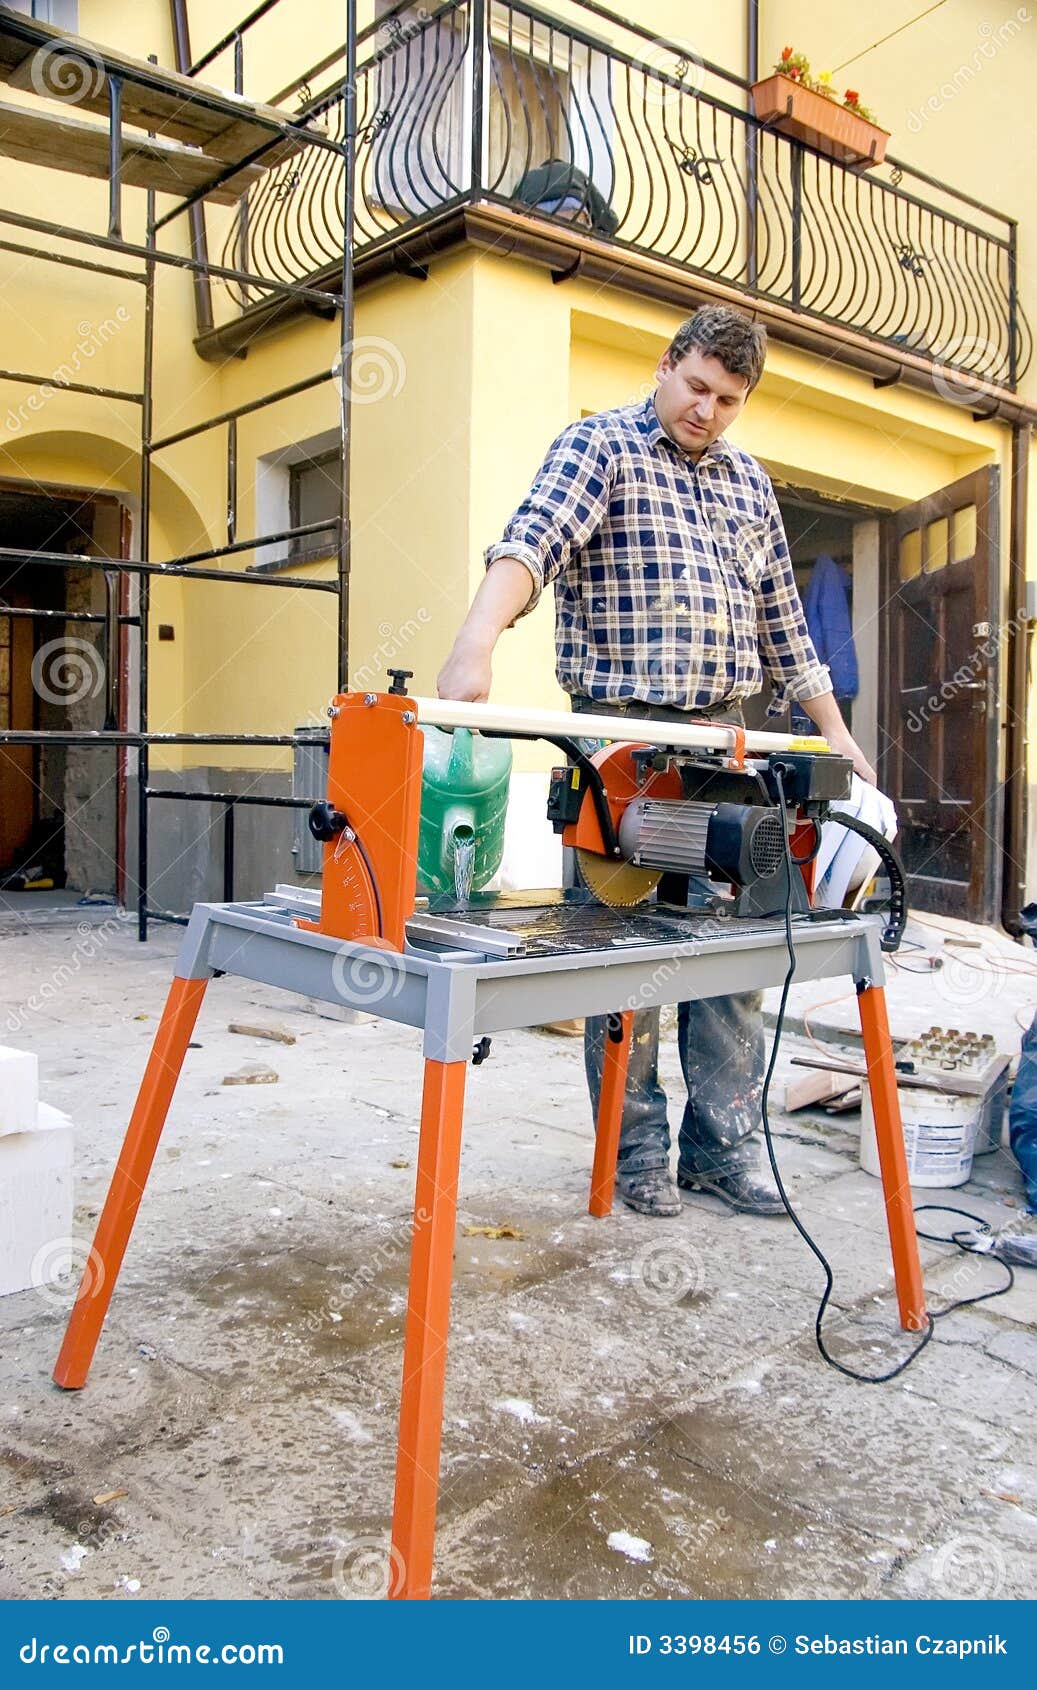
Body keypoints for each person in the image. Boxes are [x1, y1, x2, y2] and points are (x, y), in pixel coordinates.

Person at [437, 305, 876, 1218]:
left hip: (726, 741)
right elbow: (531, 542)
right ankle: (629, 1154)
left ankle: (719, 1152)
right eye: (697, 387)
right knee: (619, 960)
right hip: (620, 744)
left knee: (735, 954)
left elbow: (784, 627)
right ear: (666, 364)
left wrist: (832, 729)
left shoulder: (750, 484)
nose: (706, 410)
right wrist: (475, 642)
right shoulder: (600, 447)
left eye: (727, 399)